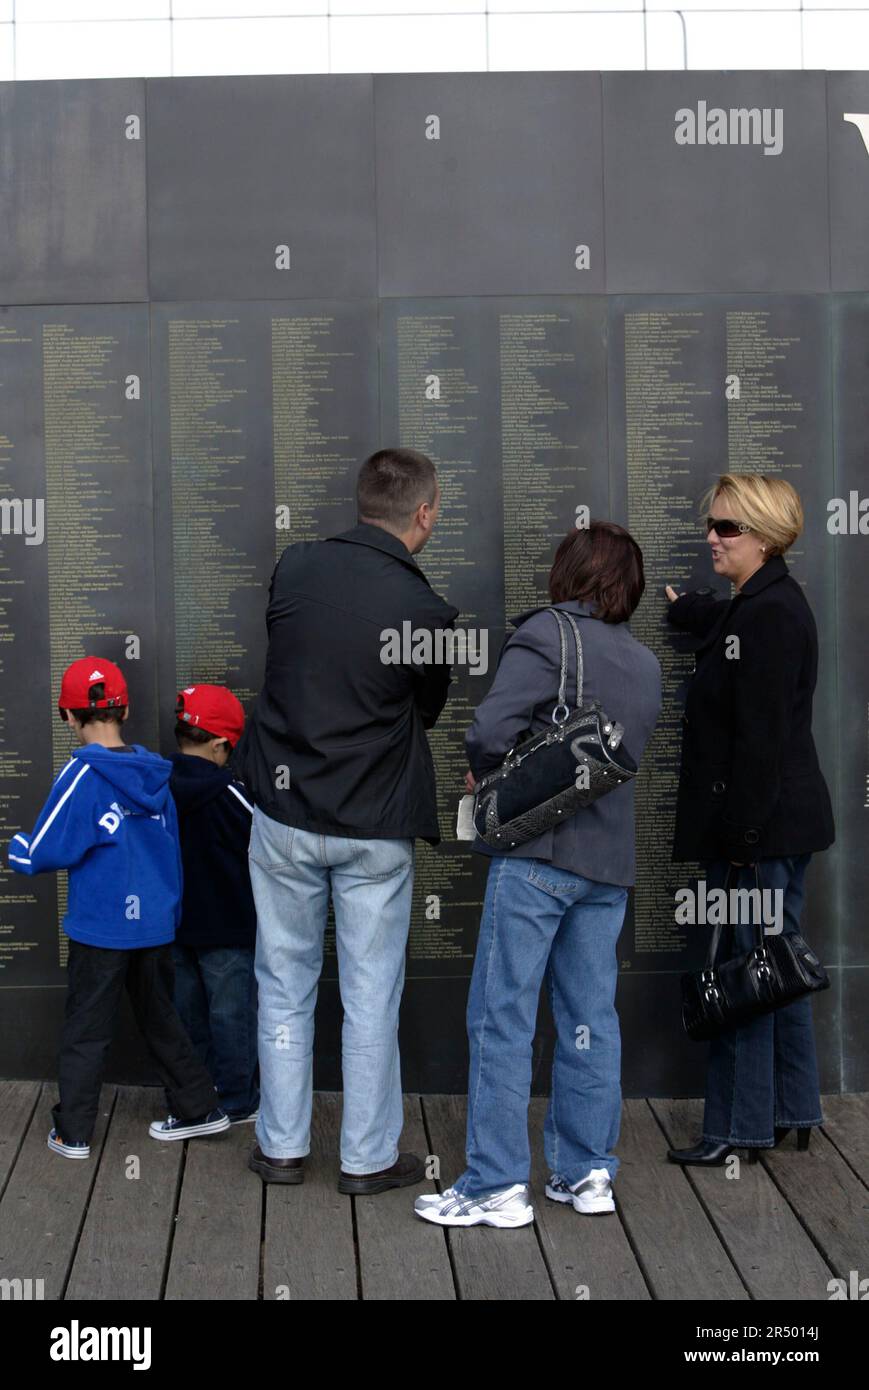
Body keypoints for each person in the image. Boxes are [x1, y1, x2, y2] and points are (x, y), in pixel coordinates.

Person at [415, 522, 662, 1228]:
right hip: (607, 868)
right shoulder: (644, 663)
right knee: (589, 1020)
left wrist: (489, 770)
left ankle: (495, 1183)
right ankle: (586, 1175)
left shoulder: (547, 635)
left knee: (502, 1019)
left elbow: (489, 730)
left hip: (538, 858)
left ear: (569, 573)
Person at [238, 448, 458, 1192]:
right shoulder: (427, 612)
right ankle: (365, 1160)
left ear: (361, 500)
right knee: (370, 996)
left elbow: (291, 655)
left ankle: (281, 1148)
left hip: (285, 810)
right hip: (372, 823)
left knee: (282, 980)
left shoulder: (295, 567)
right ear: (423, 514)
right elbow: (425, 710)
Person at [664, 474, 834, 1166]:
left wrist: (740, 842)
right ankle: (794, 1108)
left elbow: (759, 741)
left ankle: (736, 1129)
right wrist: (694, 612)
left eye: (726, 528)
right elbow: (729, 631)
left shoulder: (767, 616)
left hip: (758, 832)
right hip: (778, 827)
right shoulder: (762, 604)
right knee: (776, 963)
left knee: (743, 975)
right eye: (712, 524)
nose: (711, 536)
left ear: (762, 538)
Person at [7, 657, 229, 1159]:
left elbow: (46, 848)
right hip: (153, 923)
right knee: (160, 1017)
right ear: (123, 709)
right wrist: (169, 912)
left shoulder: (81, 774)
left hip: (102, 926)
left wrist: (16, 849)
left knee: (87, 1027)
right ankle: (199, 1108)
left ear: (67, 716)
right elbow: (171, 850)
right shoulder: (156, 772)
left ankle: (74, 1132)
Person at [170, 683, 259, 1125]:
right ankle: (238, 1101)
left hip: (174, 926)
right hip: (229, 926)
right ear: (222, 744)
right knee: (232, 1017)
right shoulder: (233, 795)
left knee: (186, 1019)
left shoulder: (155, 786)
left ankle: (194, 1100)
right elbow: (265, 843)